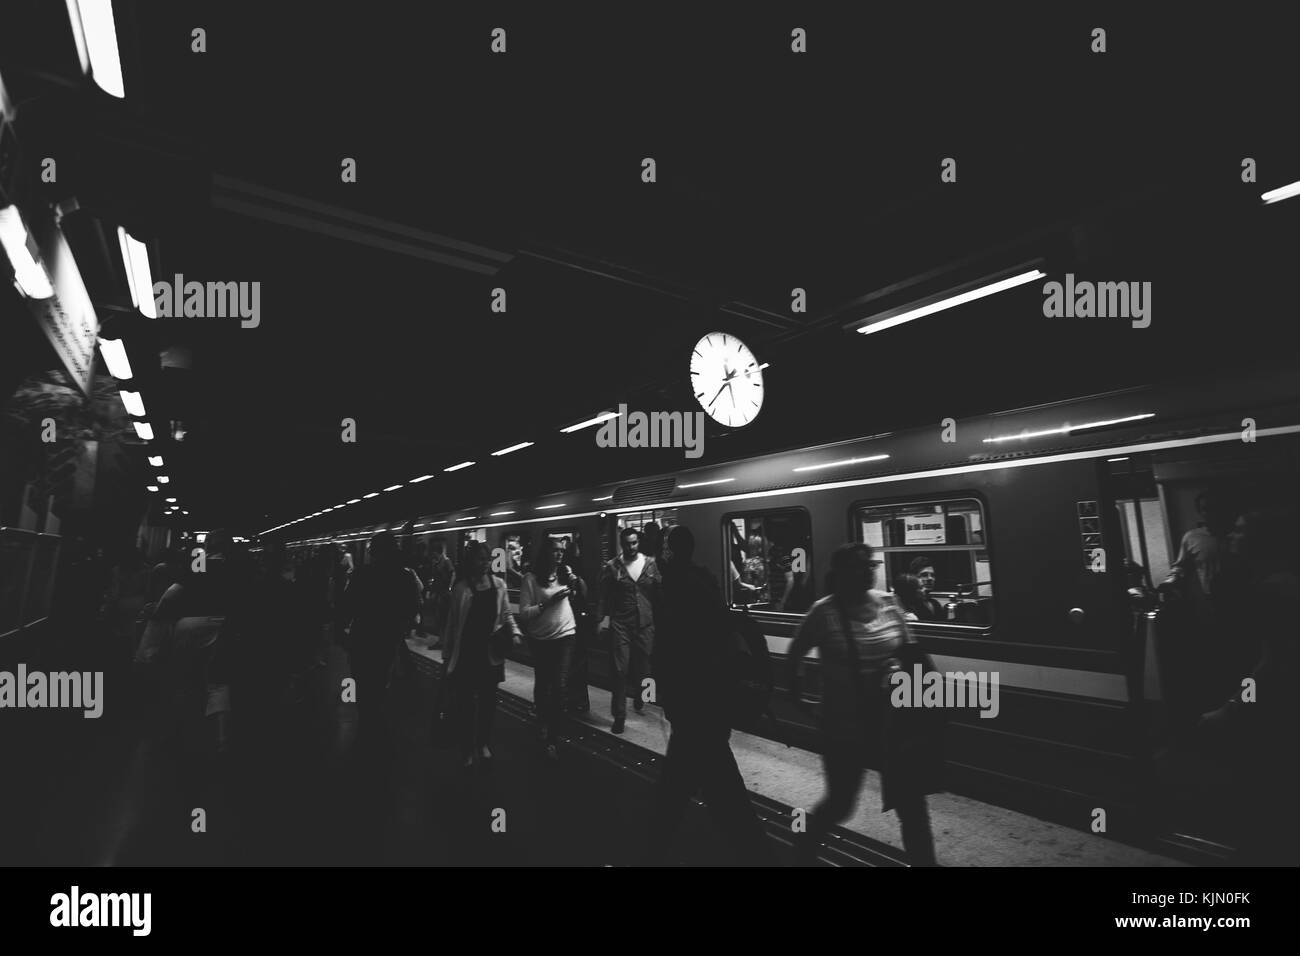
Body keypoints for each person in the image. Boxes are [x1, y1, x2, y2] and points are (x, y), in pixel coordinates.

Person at [787, 542, 939, 866]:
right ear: (840, 573)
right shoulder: (823, 613)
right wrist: (800, 698)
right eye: (861, 566)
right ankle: (804, 848)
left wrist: (900, 671)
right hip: (843, 727)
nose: (869, 571)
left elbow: (910, 654)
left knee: (912, 807)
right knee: (842, 803)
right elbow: (795, 655)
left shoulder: (889, 604)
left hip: (893, 726)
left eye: (871, 565)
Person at [645, 525, 771, 864]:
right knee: (710, 789)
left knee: (699, 792)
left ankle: (756, 855)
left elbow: (670, 649)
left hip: (693, 705)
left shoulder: (672, 587)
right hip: (712, 700)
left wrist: (666, 692)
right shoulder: (706, 582)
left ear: (671, 552)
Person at [443, 540, 523, 771]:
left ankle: (483, 743)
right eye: (481, 559)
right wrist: (447, 656)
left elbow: (506, 613)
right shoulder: (461, 589)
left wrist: (515, 633)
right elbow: (452, 624)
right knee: (466, 706)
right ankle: (467, 748)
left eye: (487, 559)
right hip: (467, 654)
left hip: (491, 655)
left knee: (488, 704)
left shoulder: (499, 585)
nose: (486, 564)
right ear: (471, 562)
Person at [337, 532, 422, 747]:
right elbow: (412, 609)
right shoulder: (403, 576)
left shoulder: (361, 574)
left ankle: (366, 724)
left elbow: (347, 606)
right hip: (387, 640)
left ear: (373, 551)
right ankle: (376, 723)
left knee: (361, 683)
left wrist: (340, 632)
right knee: (379, 683)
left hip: (362, 638)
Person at [519, 540, 585, 759]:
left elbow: (578, 597)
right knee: (543, 683)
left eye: (562, 551)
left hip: (566, 634)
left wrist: (576, 583)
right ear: (545, 552)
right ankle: (542, 720)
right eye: (555, 550)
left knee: (559, 687)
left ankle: (552, 738)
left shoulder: (565, 573)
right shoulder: (530, 579)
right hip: (540, 639)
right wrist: (547, 602)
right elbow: (525, 613)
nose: (560, 554)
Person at [597, 526, 661, 734]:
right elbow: (603, 596)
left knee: (645, 669)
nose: (631, 547)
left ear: (638, 542)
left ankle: (643, 697)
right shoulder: (612, 567)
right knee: (619, 670)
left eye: (634, 543)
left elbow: (660, 593)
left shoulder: (651, 564)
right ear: (622, 545)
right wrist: (600, 620)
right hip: (621, 625)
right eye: (627, 544)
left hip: (646, 625)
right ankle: (619, 716)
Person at [907, 556, 945, 620]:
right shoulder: (909, 605)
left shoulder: (935, 604)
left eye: (932, 575)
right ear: (913, 578)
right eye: (924, 575)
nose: (930, 578)